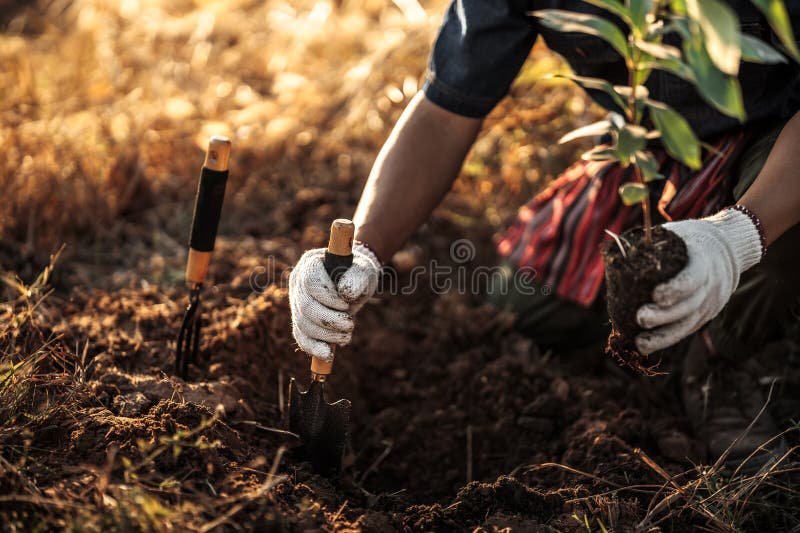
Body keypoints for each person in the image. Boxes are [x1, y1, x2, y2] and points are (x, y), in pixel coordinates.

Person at [289, 1, 800, 470]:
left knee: (774, 247)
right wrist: (365, 246)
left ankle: (723, 362)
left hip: (775, 154)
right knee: (520, 316)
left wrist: (736, 238)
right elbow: (445, 110)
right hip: (646, 152)